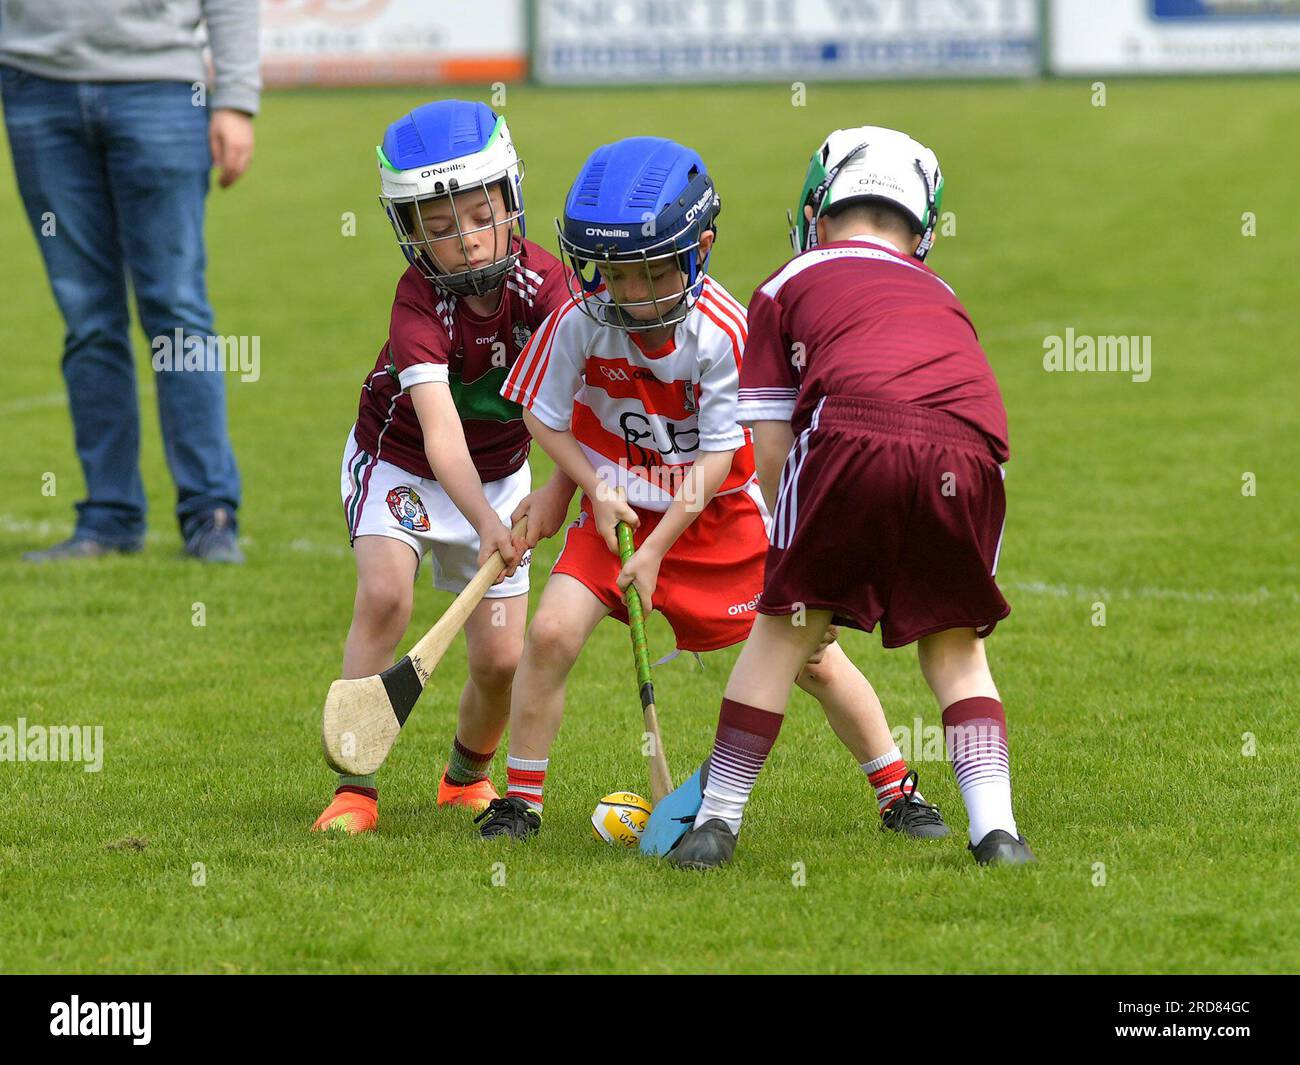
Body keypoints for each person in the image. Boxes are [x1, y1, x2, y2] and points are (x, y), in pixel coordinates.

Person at [471, 136, 948, 844]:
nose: (630, 295)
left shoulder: (724, 330)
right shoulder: (581, 319)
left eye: (652, 274)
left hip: (717, 516)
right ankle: (521, 802)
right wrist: (577, 490)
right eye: (614, 274)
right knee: (548, 634)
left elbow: (724, 455)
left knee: (812, 657)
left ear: (700, 248)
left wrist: (661, 546)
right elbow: (543, 416)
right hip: (616, 514)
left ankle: (897, 792)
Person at [668, 127, 1034, 869]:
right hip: (974, 450)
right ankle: (996, 831)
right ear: (921, 226)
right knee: (957, 649)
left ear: (819, 212)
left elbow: (771, 443)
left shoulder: (785, 283)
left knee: (781, 634)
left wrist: (797, 575)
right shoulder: (943, 291)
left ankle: (716, 824)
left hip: (852, 434)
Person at [312, 100, 577, 834]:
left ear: (510, 197)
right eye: (438, 226)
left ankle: (466, 776)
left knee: (498, 657)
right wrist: (489, 524)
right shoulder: (418, 303)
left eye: (479, 213)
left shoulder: (551, 291)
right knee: (387, 596)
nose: (464, 239)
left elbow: (578, 410)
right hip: (400, 464)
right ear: (412, 234)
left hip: (503, 475)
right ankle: (354, 788)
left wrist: (554, 492)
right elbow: (440, 437)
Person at [0, 0, 260, 563]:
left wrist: (236, 98)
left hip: (161, 85)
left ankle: (211, 515)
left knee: (178, 312)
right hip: (33, 84)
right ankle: (109, 517)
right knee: (88, 321)